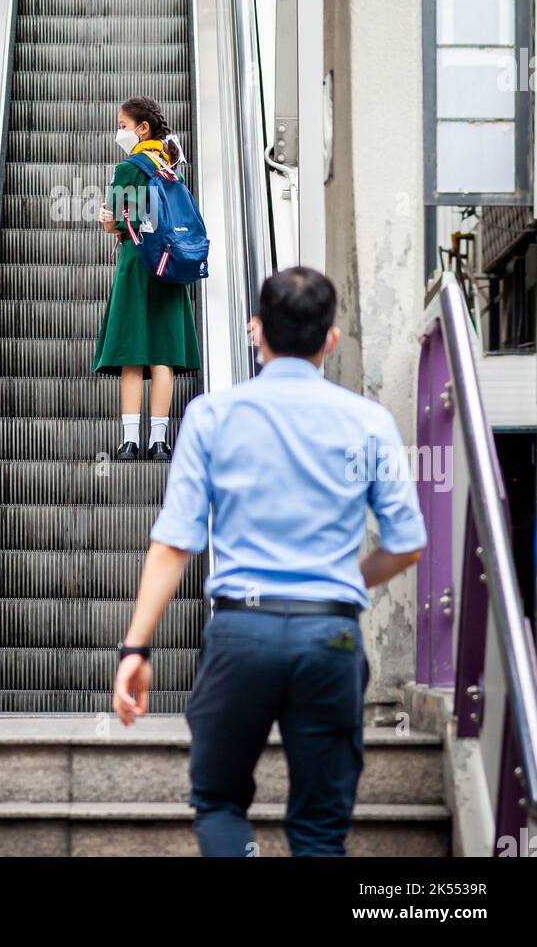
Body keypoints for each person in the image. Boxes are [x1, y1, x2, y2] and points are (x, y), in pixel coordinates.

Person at [111, 266, 427, 857]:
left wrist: (136, 648)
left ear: (256, 331)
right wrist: (341, 581)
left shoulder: (210, 416)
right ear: (330, 341)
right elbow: (407, 542)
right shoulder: (368, 422)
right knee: (319, 831)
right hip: (330, 637)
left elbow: (174, 543)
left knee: (221, 804)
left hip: (240, 633)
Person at [92, 95, 201, 460]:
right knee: (163, 357)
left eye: (123, 126)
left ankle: (129, 441)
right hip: (169, 266)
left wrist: (108, 221)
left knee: (132, 355)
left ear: (142, 128)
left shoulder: (129, 168)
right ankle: (159, 441)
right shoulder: (172, 167)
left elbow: (121, 221)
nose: (119, 132)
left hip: (137, 265)